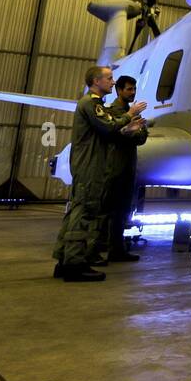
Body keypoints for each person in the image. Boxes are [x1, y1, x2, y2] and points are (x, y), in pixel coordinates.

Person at [53, 65, 147, 282]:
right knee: (84, 213)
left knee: (77, 213)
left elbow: (109, 130)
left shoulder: (95, 105)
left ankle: (65, 261)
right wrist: (129, 116)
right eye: (109, 78)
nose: (112, 82)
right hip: (90, 167)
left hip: (93, 165)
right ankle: (75, 265)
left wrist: (127, 129)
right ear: (96, 81)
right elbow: (108, 127)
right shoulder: (90, 104)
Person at [94, 74, 148, 264]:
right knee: (106, 210)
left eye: (134, 89)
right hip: (114, 168)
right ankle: (94, 250)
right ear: (119, 91)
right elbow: (113, 133)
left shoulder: (131, 112)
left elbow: (142, 137)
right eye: (129, 89)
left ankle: (117, 250)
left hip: (127, 168)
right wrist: (130, 130)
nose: (132, 92)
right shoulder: (114, 112)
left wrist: (131, 131)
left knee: (122, 211)